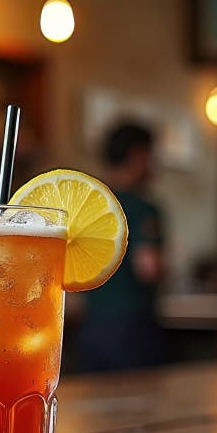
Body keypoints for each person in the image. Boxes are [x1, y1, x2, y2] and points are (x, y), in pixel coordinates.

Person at [75, 122, 167, 371]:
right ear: (138, 155)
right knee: (141, 405)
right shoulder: (142, 208)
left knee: (97, 405)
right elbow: (148, 268)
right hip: (132, 328)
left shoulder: (90, 206)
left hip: (92, 326)